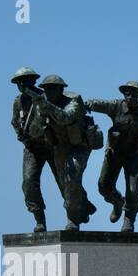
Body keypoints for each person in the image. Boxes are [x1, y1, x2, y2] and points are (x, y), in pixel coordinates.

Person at [85, 80, 138, 232]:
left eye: (135, 94)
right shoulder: (116, 106)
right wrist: (86, 104)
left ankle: (129, 219)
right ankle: (118, 202)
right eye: (128, 93)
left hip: (135, 156)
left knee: (133, 190)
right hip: (115, 153)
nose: (131, 96)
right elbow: (100, 104)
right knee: (103, 186)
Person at [32, 75, 98, 232]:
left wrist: (46, 106)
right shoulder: (41, 104)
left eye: (54, 88)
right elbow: (36, 129)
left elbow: (66, 118)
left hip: (79, 146)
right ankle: (84, 206)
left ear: (62, 89)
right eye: (47, 88)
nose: (50, 91)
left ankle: (72, 219)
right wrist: (38, 120)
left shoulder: (74, 100)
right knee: (65, 184)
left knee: (71, 177)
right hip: (60, 147)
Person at [9, 66, 56, 233]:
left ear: (33, 81)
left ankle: (79, 211)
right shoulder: (18, 101)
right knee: (29, 183)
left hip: (52, 146)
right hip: (32, 148)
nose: (22, 85)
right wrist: (21, 135)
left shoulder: (45, 97)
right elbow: (15, 121)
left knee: (66, 183)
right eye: (19, 83)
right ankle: (39, 220)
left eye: (25, 81)